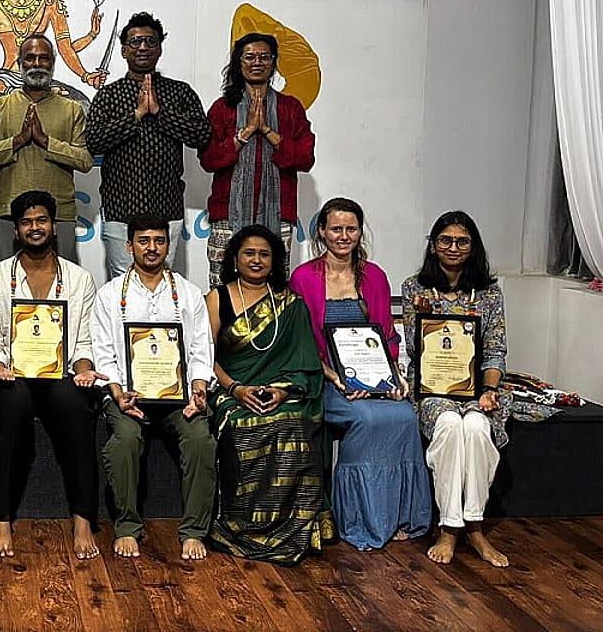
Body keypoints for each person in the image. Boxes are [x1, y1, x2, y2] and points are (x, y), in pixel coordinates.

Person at [288, 198, 431, 550]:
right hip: (326, 379)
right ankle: (360, 518)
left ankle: (400, 517)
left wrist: (392, 377)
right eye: (336, 228)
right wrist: (335, 377)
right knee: (366, 418)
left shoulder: (376, 276)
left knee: (404, 416)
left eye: (351, 229)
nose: (343, 236)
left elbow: (387, 335)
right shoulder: (304, 278)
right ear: (321, 231)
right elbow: (302, 343)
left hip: (375, 377)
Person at [0, 190, 100, 559]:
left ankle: (83, 518)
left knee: (74, 403)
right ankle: (1, 518)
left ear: (54, 227)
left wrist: (83, 371)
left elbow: (83, 341)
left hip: (60, 373)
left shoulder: (80, 279)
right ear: (16, 231)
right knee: (10, 403)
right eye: (27, 222)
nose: (35, 228)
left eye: (42, 220)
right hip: (12, 374)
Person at [89, 215, 217, 560]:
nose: (152, 248)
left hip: (179, 398)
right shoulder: (110, 295)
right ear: (129, 246)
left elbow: (201, 351)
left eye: (159, 241)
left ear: (168, 245)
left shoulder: (189, 294)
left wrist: (199, 389)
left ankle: (193, 531)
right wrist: (117, 393)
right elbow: (103, 352)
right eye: (143, 241)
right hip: (128, 396)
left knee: (201, 440)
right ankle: (128, 526)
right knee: (124, 441)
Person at [206, 225, 329, 564]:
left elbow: (305, 363)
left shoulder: (290, 305)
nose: (256, 260)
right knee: (245, 427)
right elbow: (205, 356)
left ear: (275, 262)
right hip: (231, 390)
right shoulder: (218, 299)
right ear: (235, 258)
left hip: (279, 391)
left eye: (264, 254)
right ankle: (242, 526)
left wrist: (279, 390)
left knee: (293, 424)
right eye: (249, 253)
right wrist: (236, 388)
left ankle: (293, 529)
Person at [402, 211, 510, 568]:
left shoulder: (489, 294)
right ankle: (449, 527)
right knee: (449, 425)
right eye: (445, 241)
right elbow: (417, 352)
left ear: (473, 247)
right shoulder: (414, 288)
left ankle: (475, 526)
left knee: (477, 427)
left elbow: (495, 351)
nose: (453, 247)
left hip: (478, 388)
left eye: (462, 241)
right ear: (433, 247)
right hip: (432, 390)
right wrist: (420, 317)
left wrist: (489, 391)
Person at [85, 12, 211, 278]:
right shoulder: (109, 95)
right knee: (123, 284)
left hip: (167, 207)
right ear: (123, 50)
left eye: (150, 41)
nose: (143, 47)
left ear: (160, 47)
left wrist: (160, 112)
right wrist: (136, 116)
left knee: (164, 282)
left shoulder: (180, 92)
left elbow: (202, 135)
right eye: (135, 42)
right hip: (121, 209)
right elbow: (93, 141)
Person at [199, 33, 315, 287]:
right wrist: (246, 132)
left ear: (273, 63)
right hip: (228, 215)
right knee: (223, 287)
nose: (257, 63)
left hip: (278, 214)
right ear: (238, 63)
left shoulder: (290, 108)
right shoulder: (223, 108)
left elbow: (305, 158)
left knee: (274, 286)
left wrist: (268, 131)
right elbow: (208, 158)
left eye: (264, 57)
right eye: (249, 57)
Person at [0, 35, 94, 262]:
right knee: (2, 287)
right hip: (7, 211)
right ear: (20, 63)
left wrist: (46, 142)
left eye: (44, 58)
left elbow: (85, 160)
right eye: (30, 58)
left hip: (59, 214)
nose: (37, 64)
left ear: (52, 63)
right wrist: (18, 140)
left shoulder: (72, 109)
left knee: (64, 286)